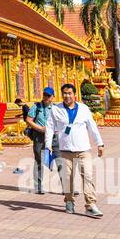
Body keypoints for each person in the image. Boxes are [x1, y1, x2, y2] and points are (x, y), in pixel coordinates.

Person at [50, 82, 105, 217]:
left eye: (69, 93)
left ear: (75, 95)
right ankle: (69, 200)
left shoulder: (84, 109)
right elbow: (50, 127)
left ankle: (90, 205)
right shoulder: (56, 109)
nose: (67, 96)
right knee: (68, 178)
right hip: (65, 149)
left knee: (88, 176)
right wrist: (47, 146)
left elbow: (92, 127)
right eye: (64, 93)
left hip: (83, 149)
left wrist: (100, 143)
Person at [25, 86, 55, 195]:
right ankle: (38, 186)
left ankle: (67, 187)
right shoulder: (36, 107)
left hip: (53, 137)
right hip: (39, 136)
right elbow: (28, 120)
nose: (46, 97)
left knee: (60, 159)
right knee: (39, 160)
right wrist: (40, 128)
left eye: (49, 95)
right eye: (45, 95)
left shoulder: (56, 108)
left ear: (53, 97)